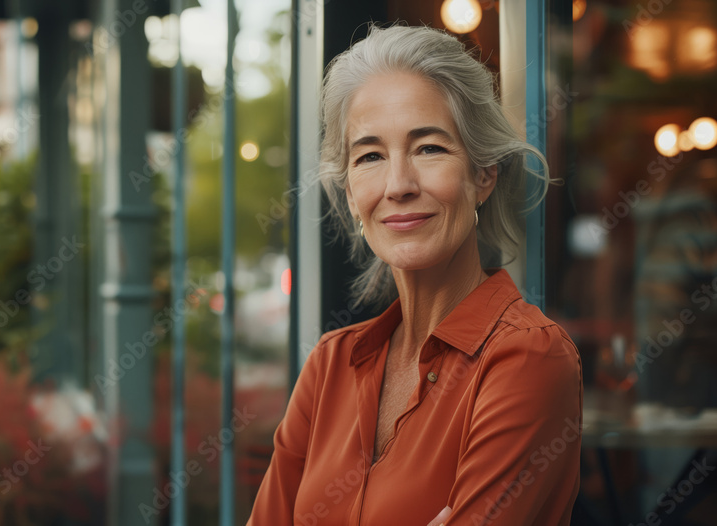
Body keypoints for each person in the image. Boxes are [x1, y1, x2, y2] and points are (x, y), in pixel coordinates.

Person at [246, 25, 582, 526]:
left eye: (429, 149)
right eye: (371, 156)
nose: (398, 185)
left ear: (483, 175)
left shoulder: (527, 357)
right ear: (352, 191)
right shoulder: (330, 365)